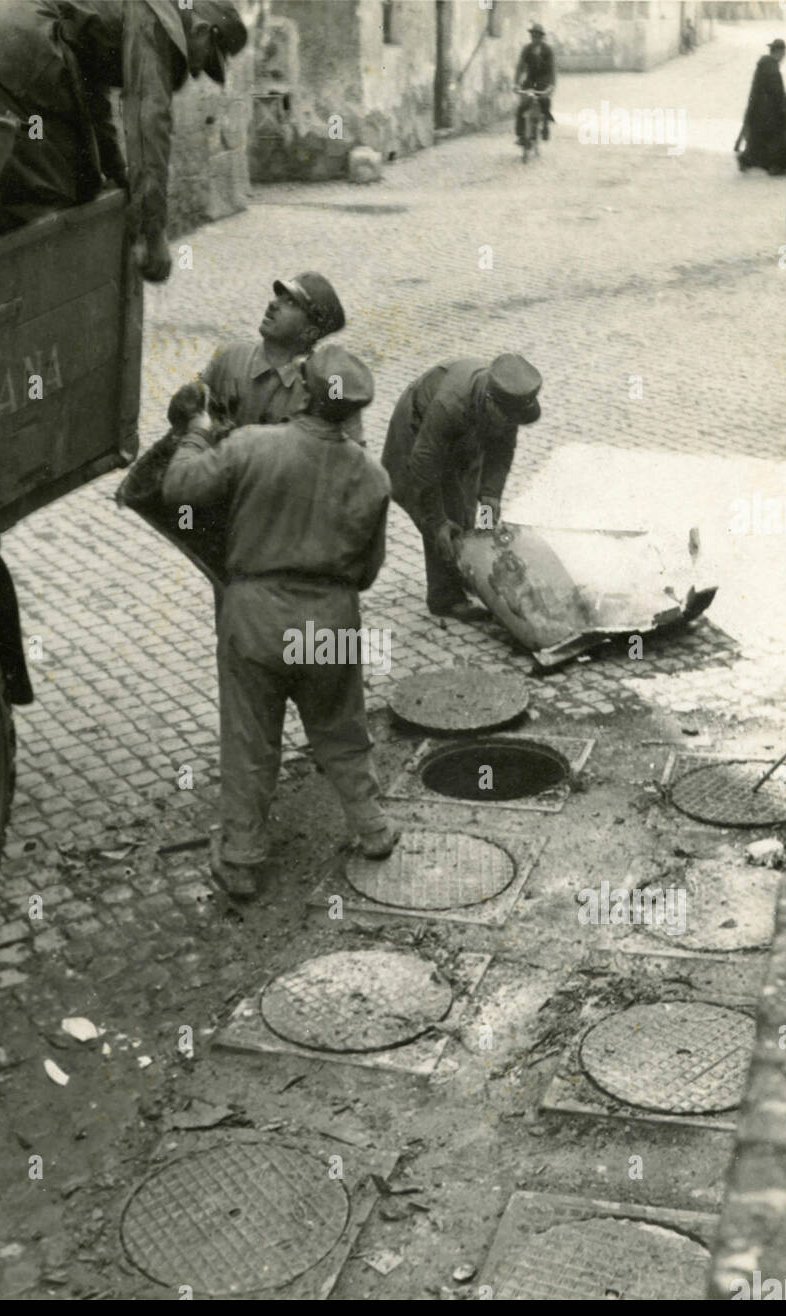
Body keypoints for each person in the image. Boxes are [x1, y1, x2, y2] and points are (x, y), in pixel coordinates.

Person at [161, 346, 397, 900]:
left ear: (307, 392)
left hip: (255, 617)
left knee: (250, 740)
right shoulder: (373, 477)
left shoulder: (251, 446)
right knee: (341, 729)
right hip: (330, 621)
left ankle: (242, 858)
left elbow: (179, 489)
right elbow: (367, 573)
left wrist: (195, 432)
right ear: (354, 410)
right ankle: (373, 829)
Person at [0, 0, 247, 279]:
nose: (197, 71)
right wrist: (153, 230)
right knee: (46, 188)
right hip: (6, 35)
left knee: (40, 173)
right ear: (205, 29)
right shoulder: (159, 21)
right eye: (207, 59)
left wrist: (114, 171)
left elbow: (90, 93)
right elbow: (148, 120)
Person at [381, 354, 542, 622]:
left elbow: (502, 452)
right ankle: (446, 598)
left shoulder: (507, 403)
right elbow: (423, 465)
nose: (508, 425)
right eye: (505, 419)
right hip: (416, 438)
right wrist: (438, 522)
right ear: (490, 403)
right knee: (447, 526)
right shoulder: (450, 405)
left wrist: (490, 496)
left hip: (462, 441)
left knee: (467, 517)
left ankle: (469, 574)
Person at [200, 272, 360, 434]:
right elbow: (188, 420)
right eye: (278, 297)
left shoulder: (326, 388)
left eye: (290, 302)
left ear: (310, 332)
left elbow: (347, 453)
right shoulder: (230, 357)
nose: (273, 304)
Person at [737, 39, 786, 175]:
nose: (784, 56)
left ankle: (745, 160)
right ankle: (775, 166)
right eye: (783, 53)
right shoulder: (772, 68)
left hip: (759, 110)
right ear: (778, 52)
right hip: (769, 112)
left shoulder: (764, 64)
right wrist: (785, 107)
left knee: (757, 140)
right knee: (776, 139)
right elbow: (776, 92)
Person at [514, 21, 555, 144]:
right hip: (530, 80)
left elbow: (552, 70)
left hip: (544, 79)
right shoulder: (527, 49)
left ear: (542, 37)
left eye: (537, 36)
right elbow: (520, 67)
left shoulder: (547, 50)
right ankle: (521, 135)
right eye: (533, 36)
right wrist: (516, 84)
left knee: (544, 101)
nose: (535, 38)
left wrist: (551, 86)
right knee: (522, 106)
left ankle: (545, 125)